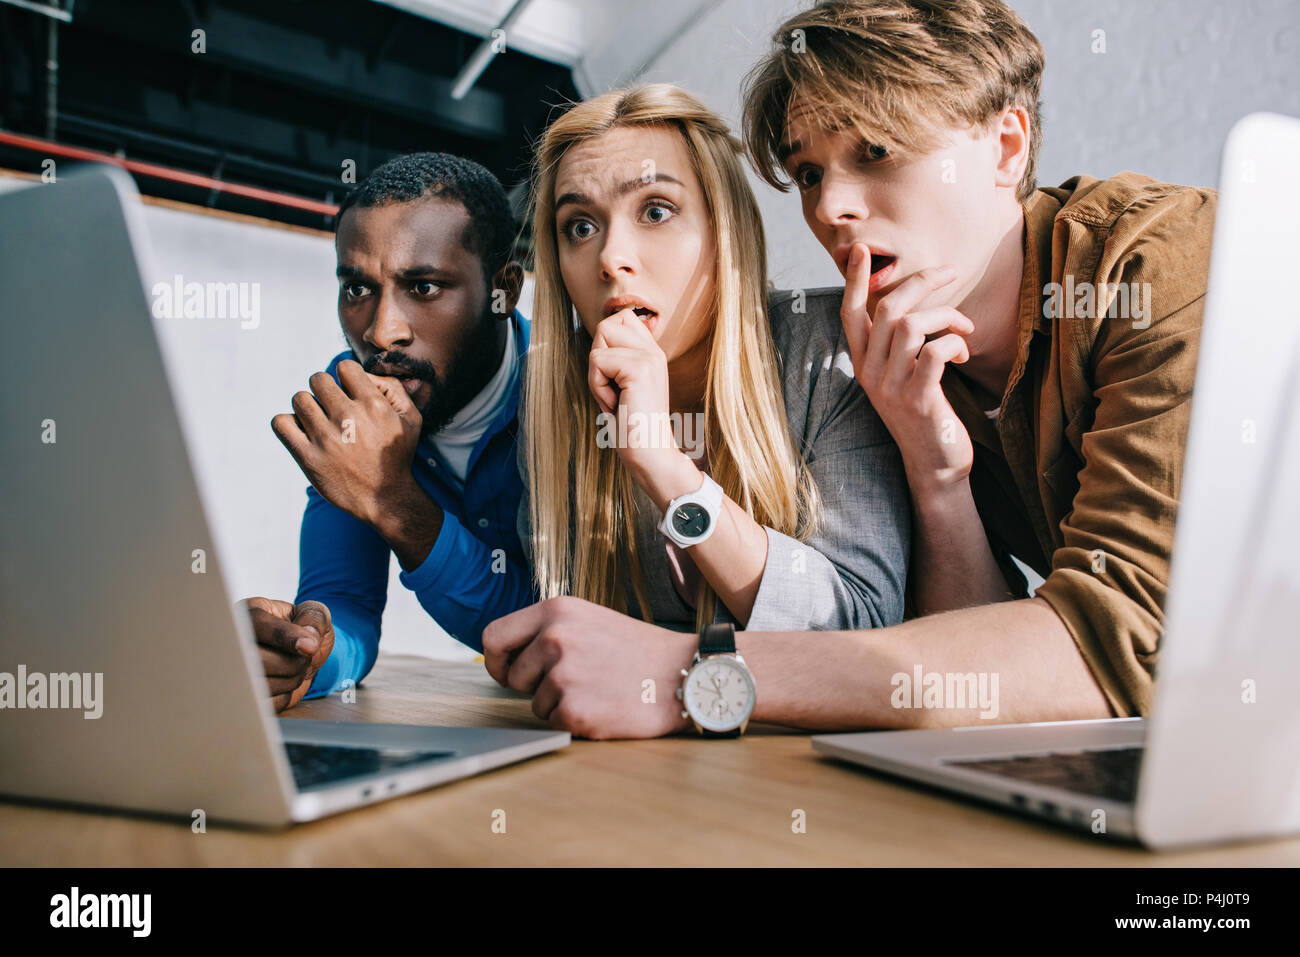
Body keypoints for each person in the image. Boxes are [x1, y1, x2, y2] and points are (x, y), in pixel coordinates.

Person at [483, 0, 1214, 737]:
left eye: (874, 151)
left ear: (1006, 147)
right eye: (806, 172)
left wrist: (693, 675)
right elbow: (970, 679)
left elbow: (1119, 641)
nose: (829, 207)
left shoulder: (1155, 262)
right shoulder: (908, 360)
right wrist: (936, 474)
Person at [241, 152, 532, 712]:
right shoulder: (352, 399)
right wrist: (305, 650)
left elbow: (557, 629)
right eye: (357, 289)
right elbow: (346, 601)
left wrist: (394, 503)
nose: (381, 332)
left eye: (422, 287)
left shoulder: (577, 395)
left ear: (505, 290)